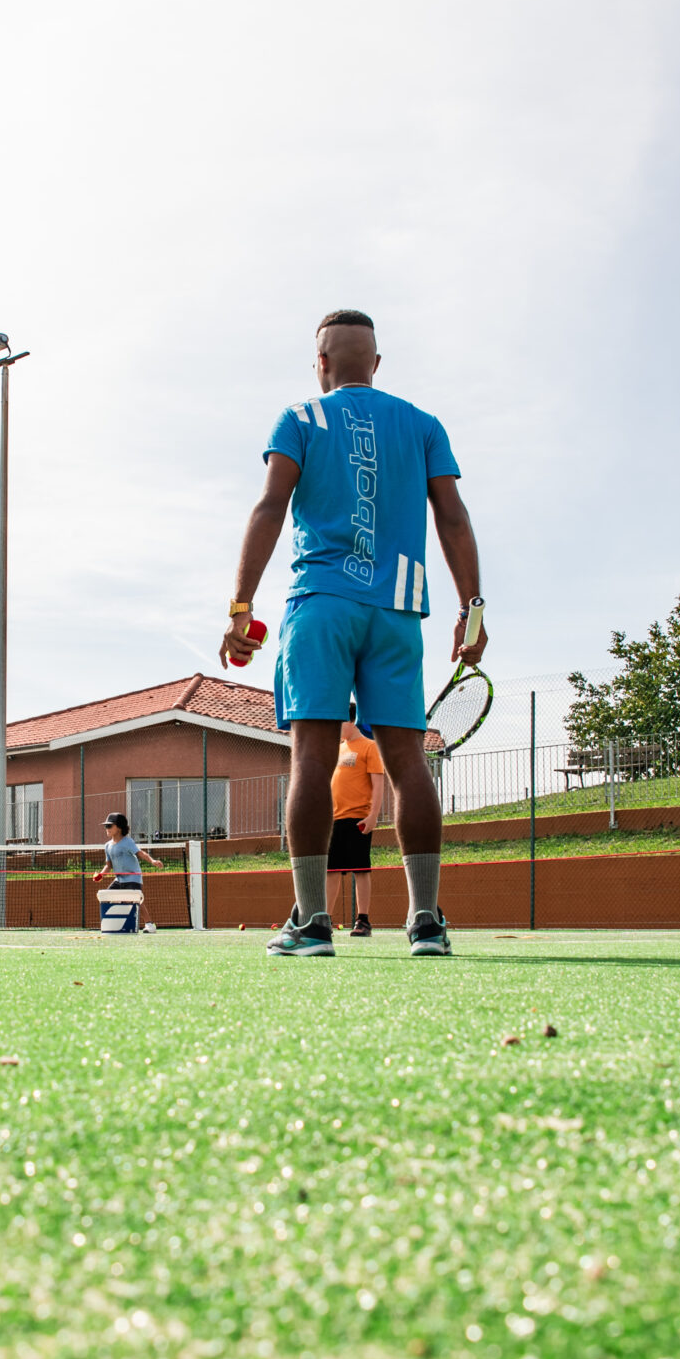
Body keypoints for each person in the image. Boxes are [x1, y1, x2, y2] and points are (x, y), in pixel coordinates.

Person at [221, 309, 487, 957]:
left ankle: (312, 922)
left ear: (321, 365)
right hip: (397, 612)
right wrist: (472, 611)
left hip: (321, 605)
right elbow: (452, 517)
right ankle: (426, 920)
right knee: (406, 762)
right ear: (374, 363)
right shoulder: (422, 424)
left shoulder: (301, 419)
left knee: (310, 758)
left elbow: (269, 506)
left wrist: (240, 607)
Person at [328, 714, 388, 935]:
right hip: (335, 819)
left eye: (340, 722)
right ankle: (325, 919)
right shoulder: (337, 748)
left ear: (352, 721)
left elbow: (378, 783)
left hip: (359, 818)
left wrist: (373, 815)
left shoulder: (370, 747)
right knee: (331, 870)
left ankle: (363, 921)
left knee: (361, 869)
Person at [90, 810, 161, 891]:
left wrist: (152, 861)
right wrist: (101, 875)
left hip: (133, 880)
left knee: (132, 901)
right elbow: (108, 866)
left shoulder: (128, 842)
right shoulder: (107, 846)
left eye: (109, 826)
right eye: (106, 826)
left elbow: (140, 853)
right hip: (119, 880)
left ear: (119, 828)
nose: (107, 828)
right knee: (107, 899)